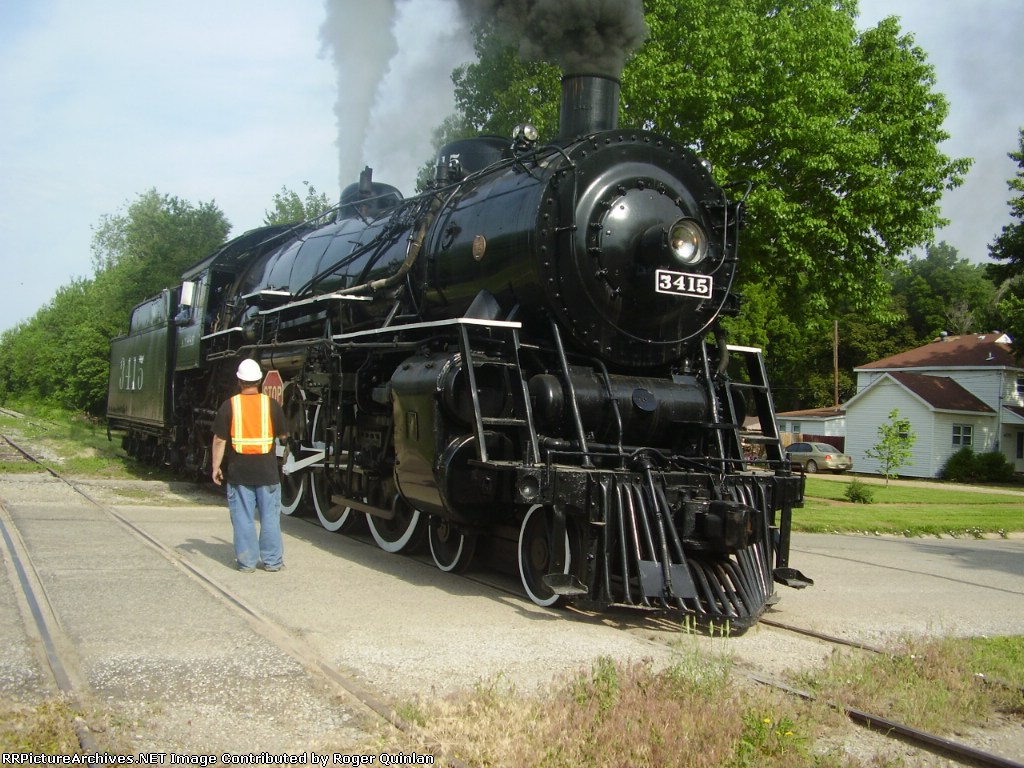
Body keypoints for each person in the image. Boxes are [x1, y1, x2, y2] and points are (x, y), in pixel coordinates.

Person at [211, 358, 289, 572]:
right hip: (268, 472)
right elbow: (283, 435)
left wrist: (215, 466)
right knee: (270, 518)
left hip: (240, 473)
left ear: (239, 381)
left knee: (243, 518)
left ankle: (247, 562)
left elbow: (219, 439)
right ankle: (272, 562)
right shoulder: (271, 405)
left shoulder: (230, 405)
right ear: (260, 380)